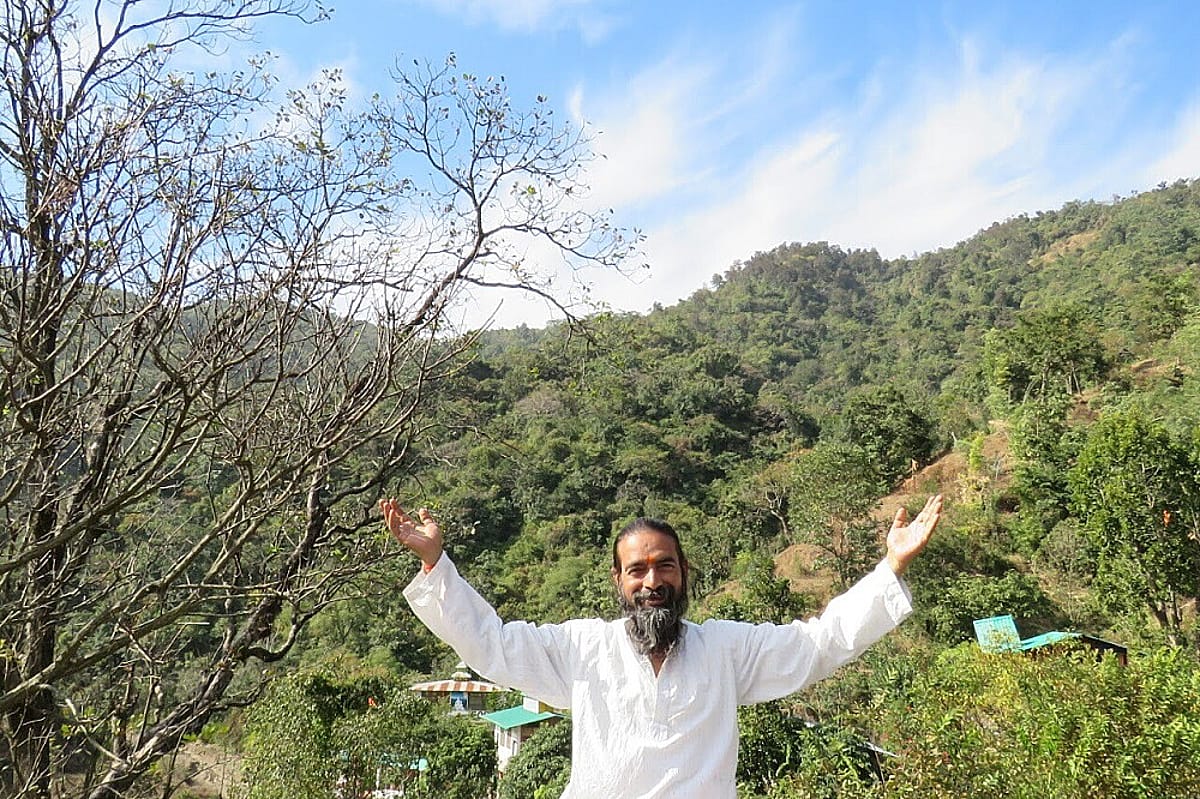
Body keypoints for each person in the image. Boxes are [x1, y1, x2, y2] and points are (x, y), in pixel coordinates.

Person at [381, 494, 943, 798]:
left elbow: (819, 643)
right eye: (638, 570)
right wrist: (435, 563)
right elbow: (494, 645)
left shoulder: (725, 649)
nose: (652, 581)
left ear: (684, 572)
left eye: (664, 566)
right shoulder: (582, 648)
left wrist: (891, 567)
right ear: (618, 581)